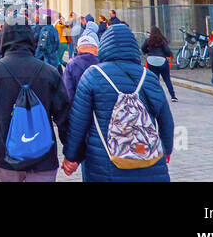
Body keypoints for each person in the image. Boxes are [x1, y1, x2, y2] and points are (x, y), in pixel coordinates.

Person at [61, 22, 173, 182]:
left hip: (106, 163)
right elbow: (166, 120)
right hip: (150, 161)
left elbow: (79, 122)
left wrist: (71, 156)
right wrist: (166, 149)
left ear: (104, 46)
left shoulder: (92, 75)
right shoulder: (148, 77)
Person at [0, 22, 71, 182]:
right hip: (43, 157)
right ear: (31, 40)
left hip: (6, 158)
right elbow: (64, 117)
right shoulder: (49, 72)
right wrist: (71, 154)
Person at [141, 27, 177, 101]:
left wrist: (148, 52)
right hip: (162, 60)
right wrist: (167, 55)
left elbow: (143, 48)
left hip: (151, 61)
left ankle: (156, 96)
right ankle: (173, 96)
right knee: (167, 79)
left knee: (155, 79)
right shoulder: (162, 40)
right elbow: (167, 51)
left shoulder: (148, 40)